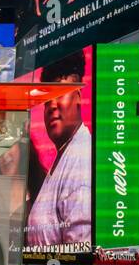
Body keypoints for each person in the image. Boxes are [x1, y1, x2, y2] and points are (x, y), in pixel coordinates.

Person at [25, 50, 92, 247]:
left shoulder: (81, 161)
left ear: (78, 96)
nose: (52, 106)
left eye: (60, 94)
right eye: (47, 100)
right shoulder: (65, 154)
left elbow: (79, 250)